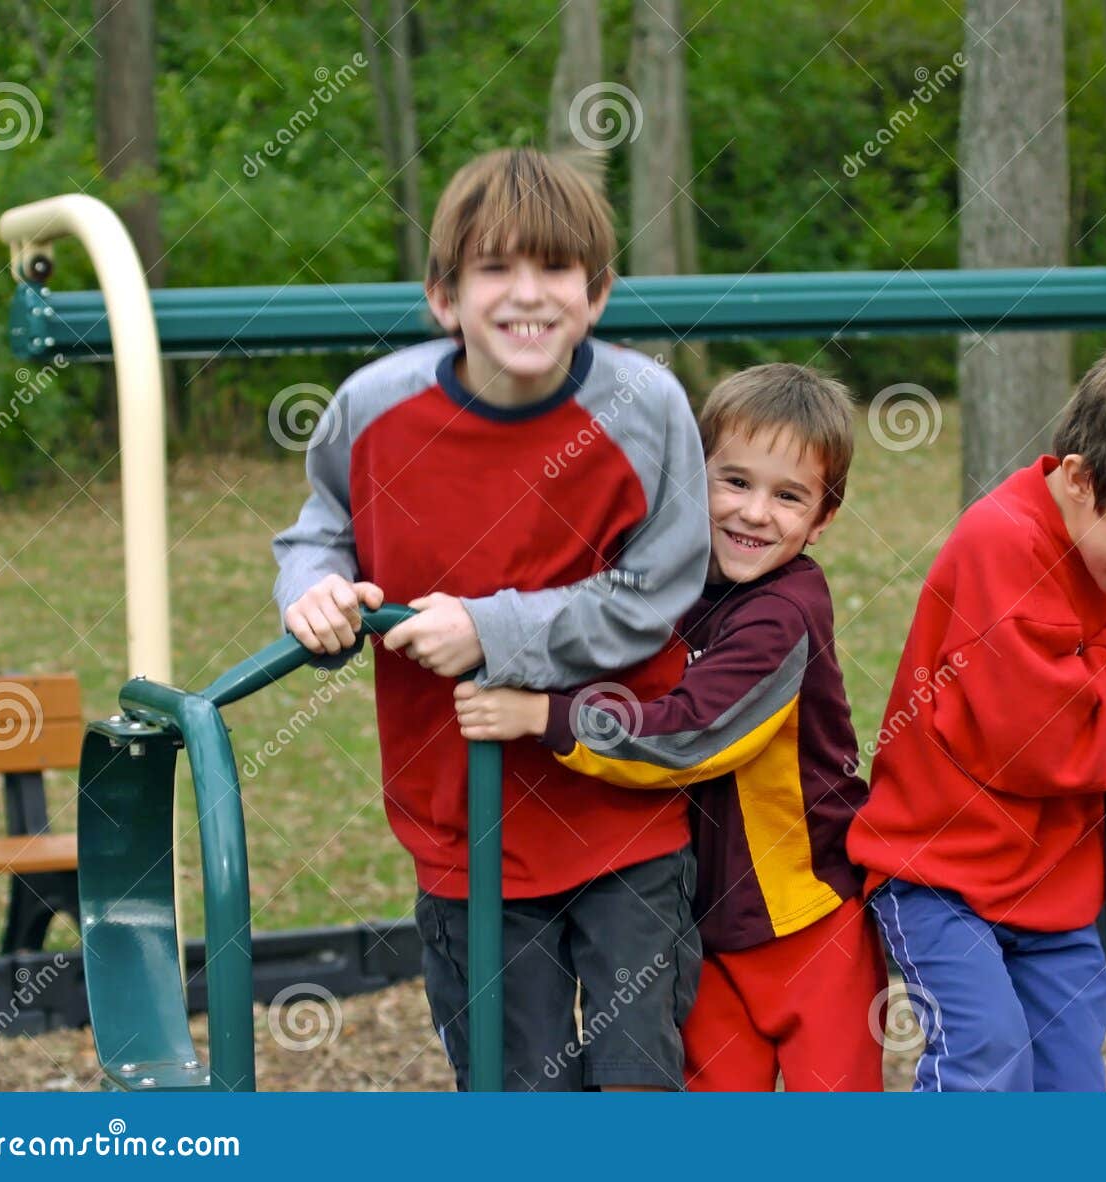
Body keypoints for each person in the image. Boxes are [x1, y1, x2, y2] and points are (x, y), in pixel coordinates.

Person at [271, 147, 709, 1091]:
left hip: (621, 800)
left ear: (595, 295)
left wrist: (495, 632)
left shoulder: (647, 407)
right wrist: (313, 588)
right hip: (460, 820)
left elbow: (659, 589)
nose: (528, 294)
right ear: (443, 297)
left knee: (643, 1080)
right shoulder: (374, 410)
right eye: (495, 268)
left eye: (555, 268)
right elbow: (318, 533)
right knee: (516, 1090)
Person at [456, 363, 886, 1091]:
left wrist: (545, 718)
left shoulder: (784, 612)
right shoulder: (671, 582)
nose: (755, 512)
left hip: (808, 915)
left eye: (789, 497)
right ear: (691, 475)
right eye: (736, 482)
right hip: (703, 923)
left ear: (823, 520)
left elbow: (690, 736)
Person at [848, 344, 1106, 1092]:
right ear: (1077, 478)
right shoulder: (1003, 543)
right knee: (987, 1060)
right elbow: (1039, 736)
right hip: (944, 876)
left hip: (1051, 888)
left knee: (1070, 1082)